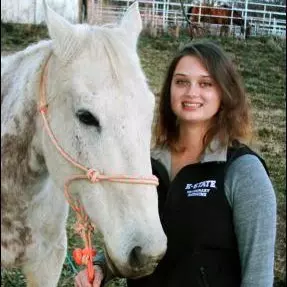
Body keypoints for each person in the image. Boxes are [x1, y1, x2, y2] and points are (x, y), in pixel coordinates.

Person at [75, 40, 277, 287]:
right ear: (169, 90)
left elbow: (258, 277)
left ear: (224, 92)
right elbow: (135, 241)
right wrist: (101, 267)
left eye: (205, 83)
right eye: (181, 82)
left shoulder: (243, 171)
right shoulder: (144, 166)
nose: (192, 92)